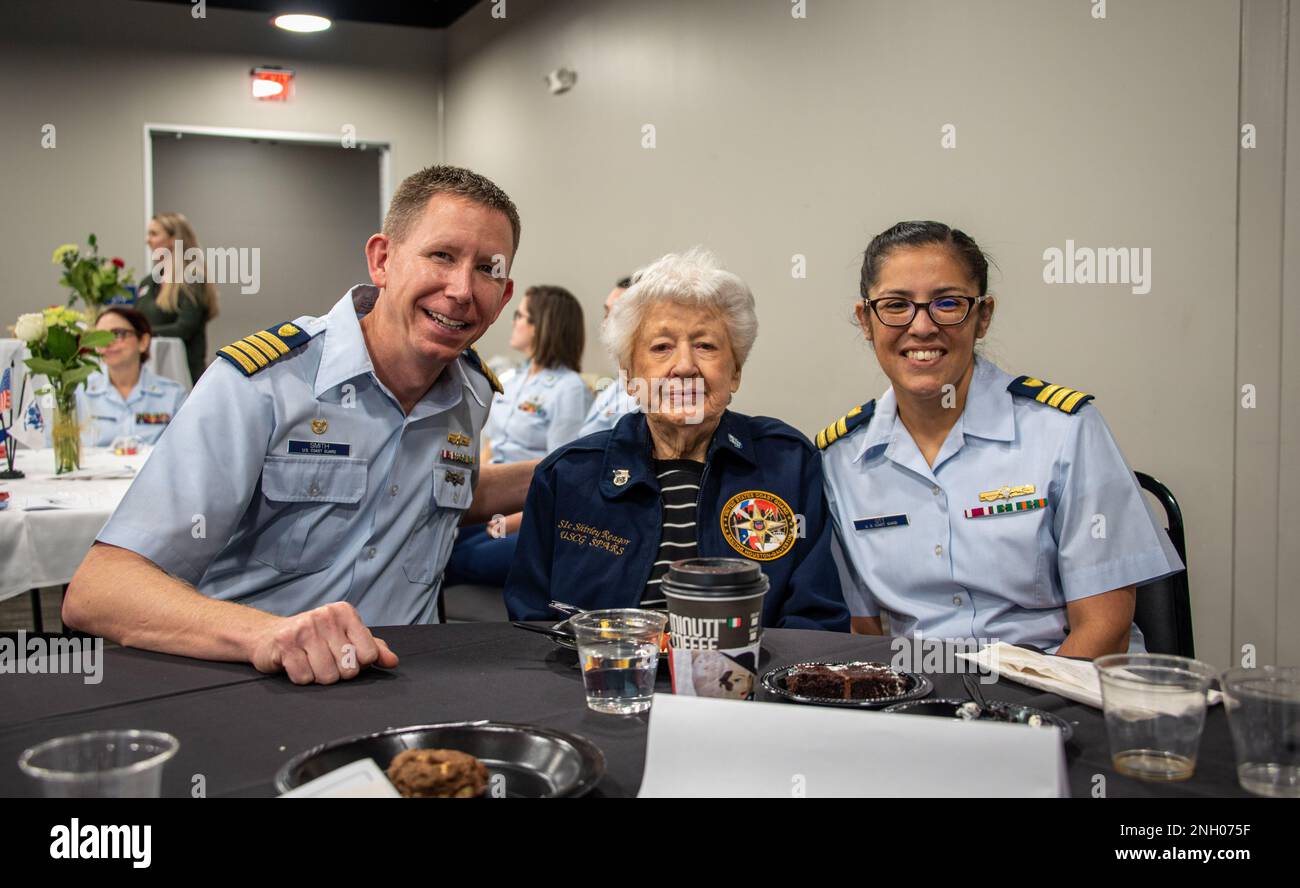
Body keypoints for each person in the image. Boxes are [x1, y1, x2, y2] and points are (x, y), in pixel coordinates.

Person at [64, 165, 539, 685]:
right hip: (263, 683)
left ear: (505, 293)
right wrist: (266, 634)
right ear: (382, 260)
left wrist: (575, 466)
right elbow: (99, 590)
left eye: (488, 269)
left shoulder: (472, 393)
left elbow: (431, 494)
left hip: (414, 684)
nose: (462, 289)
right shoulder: (264, 383)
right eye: (442, 256)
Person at [819, 221, 1183, 658]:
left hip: (1057, 690)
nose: (921, 327)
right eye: (896, 305)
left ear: (983, 315)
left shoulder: (1066, 431)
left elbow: (1104, 630)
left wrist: (1017, 721)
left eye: (947, 303)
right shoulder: (842, 459)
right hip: (921, 698)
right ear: (866, 320)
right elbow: (865, 632)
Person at [505, 248, 849, 631]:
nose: (684, 366)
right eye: (661, 347)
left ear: (734, 371)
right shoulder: (568, 475)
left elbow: (815, 618)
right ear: (630, 373)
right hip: (601, 684)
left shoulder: (788, 462)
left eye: (705, 345)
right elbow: (531, 624)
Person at [445, 285, 592, 587]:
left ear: (544, 325)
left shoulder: (569, 389)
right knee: (432, 546)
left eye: (521, 315)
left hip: (527, 514)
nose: (514, 322)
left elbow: (565, 478)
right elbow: (489, 447)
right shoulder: (511, 379)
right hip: (490, 502)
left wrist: (500, 525)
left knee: (459, 560)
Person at [81, 307, 186, 447]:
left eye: (117, 334)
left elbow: (185, 451)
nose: (107, 343)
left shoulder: (174, 395)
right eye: (99, 336)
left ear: (143, 341)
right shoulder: (80, 393)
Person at [136, 212, 220, 385]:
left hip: (183, 375)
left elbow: (184, 328)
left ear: (173, 239)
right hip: (149, 374)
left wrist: (141, 334)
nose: (148, 240)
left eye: (154, 234)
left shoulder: (192, 279)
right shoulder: (147, 283)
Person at [578, 276, 641, 437]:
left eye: (615, 315)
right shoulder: (618, 382)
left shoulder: (646, 390)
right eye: (606, 313)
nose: (605, 324)